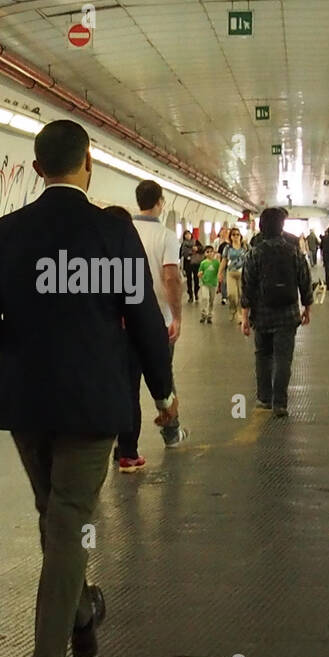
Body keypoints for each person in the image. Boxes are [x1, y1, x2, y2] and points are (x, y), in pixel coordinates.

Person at [0, 120, 178, 657]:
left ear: (36, 169)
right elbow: (142, 323)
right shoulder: (113, 236)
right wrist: (163, 396)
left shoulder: (4, 235)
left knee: (57, 517)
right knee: (66, 522)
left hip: (26, 403)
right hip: (91, 403)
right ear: (88, 163)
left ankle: (81, 609)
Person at [116, 181, 186, 473]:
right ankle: (171, 432)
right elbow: (171, 277)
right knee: (162, 376)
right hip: (157, 319)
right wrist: (177, 315)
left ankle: (126, 448)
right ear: (160, 202)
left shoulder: (122, 231)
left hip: (123, 321)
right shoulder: (166, 236)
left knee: (127, 386)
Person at [240, 207, 313, 417]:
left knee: (262, 356)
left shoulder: (254, 254)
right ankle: (280, 403)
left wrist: (244, 317)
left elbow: (248, 287)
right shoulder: (293, 252)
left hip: (262, 315)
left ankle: (264, 399)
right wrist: (307, 308)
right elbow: (304, 280)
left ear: (262, 227)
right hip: (288, 314)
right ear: (281, 227)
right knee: (283, 358)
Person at [219, 228, 247, 322]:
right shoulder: (228, 248)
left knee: (241, 294)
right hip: (231, 272)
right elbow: (224, 260)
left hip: (242, 273)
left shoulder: (245, 247)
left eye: (237, 234)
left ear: (240, 236)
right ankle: (232, 309)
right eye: (233, 235)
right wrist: (220, 273)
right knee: (232, 294)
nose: (235, 236)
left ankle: (239, 315)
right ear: (230, 237)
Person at [198, 245, 220, 323]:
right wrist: (200, 274)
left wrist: (220, 280)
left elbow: (219, 272)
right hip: (205, 283)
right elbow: (200, 272)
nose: (210, 253)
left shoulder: (217, 263)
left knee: (212, 300)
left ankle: (210, 315)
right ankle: (204, 314)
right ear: (205, 253)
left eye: (211, 251)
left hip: (213, 284)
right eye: (207, 252)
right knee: (205, 298)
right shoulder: (203, 263)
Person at [182, 227, 203, 303]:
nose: (188, 236)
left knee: (196, 279)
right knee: (189, 280)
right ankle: (190, 295)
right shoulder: (183, 244)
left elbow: (202, 248)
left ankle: (196, 292)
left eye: (189, 234)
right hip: (187, 264)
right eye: (186, 235)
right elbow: (182, 253)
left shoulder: (196, 241)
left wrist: (197, 248)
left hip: (195, 263)